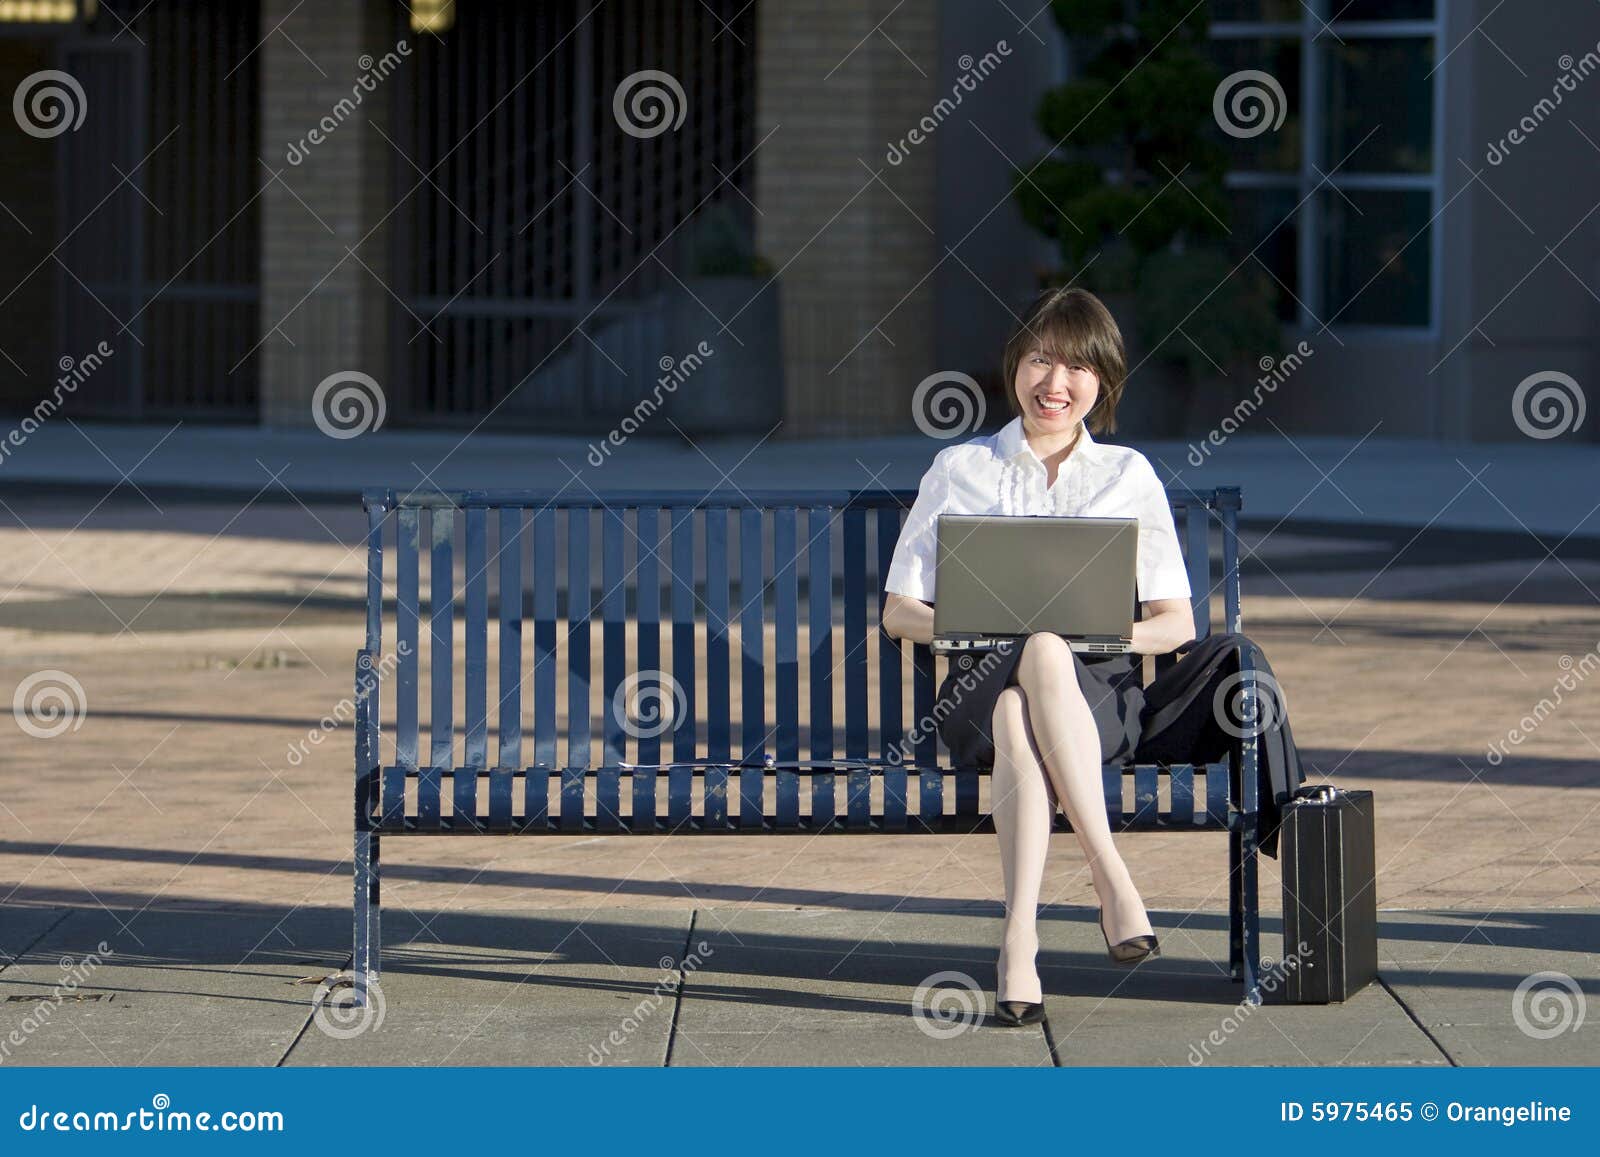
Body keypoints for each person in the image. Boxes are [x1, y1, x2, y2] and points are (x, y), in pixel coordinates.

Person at [881, 286, 1303, 1027]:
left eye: (1076, 366)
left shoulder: (1127, 475)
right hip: (976, 692)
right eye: (1041, 359)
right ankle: (1112, 879)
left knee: (1035, 681)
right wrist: (979, 620)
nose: (1055, 382)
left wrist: (1094, 637)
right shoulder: (961, 466)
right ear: (1015, 367)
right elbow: (898, 611)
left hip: (1095, 704)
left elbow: (1175, 623)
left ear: (1102, 381)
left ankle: (1019, 940)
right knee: (1022, 668)